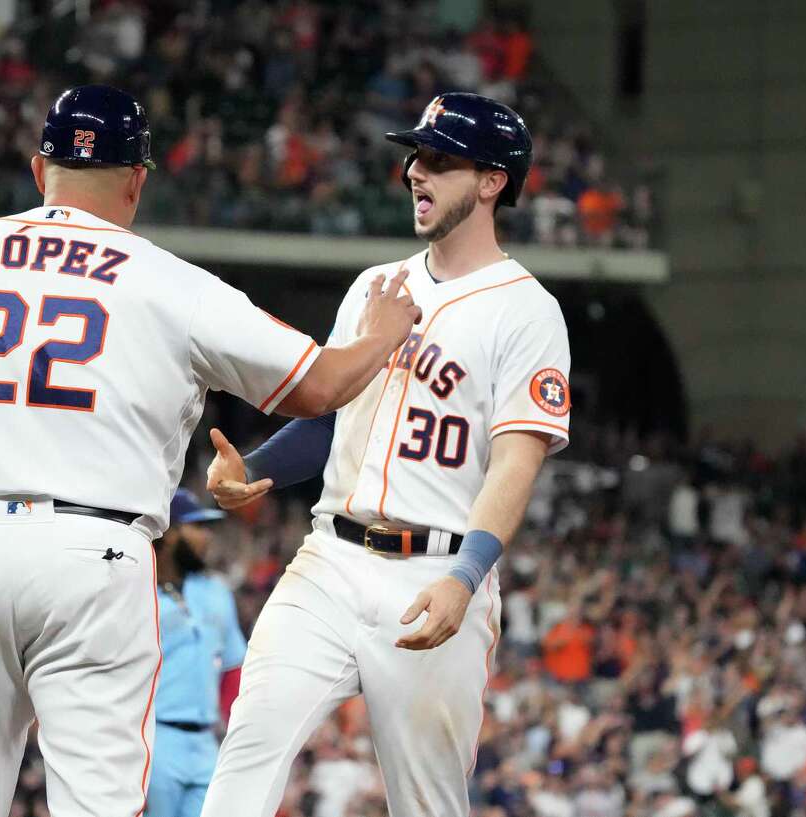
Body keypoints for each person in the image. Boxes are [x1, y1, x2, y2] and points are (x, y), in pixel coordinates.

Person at [0, 85, 420, 817]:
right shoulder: (168, 282)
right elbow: (322, 387)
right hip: (95, 554)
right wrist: (379, 331)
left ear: (37, 170)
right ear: (137, 179)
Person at [200, 93, 572, 817]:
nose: (414, 172)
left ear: (493, 180)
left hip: (435, 574)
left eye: (439, 159)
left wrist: (466, 578)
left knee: (427, 804)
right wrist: (255, 467)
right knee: (249, 743)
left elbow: (516, 464)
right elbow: (334, 421)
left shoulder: (527, 310)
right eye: (413, 156)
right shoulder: (376, 286)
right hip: (330, 560)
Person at [146, 489, 244, 817]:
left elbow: (233, 666)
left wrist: (234, 731)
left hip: (205, 742)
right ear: (170, 533)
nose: (207, 537)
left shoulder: (216, 592)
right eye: (197, 527)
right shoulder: (137, 593)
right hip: (155, 738)